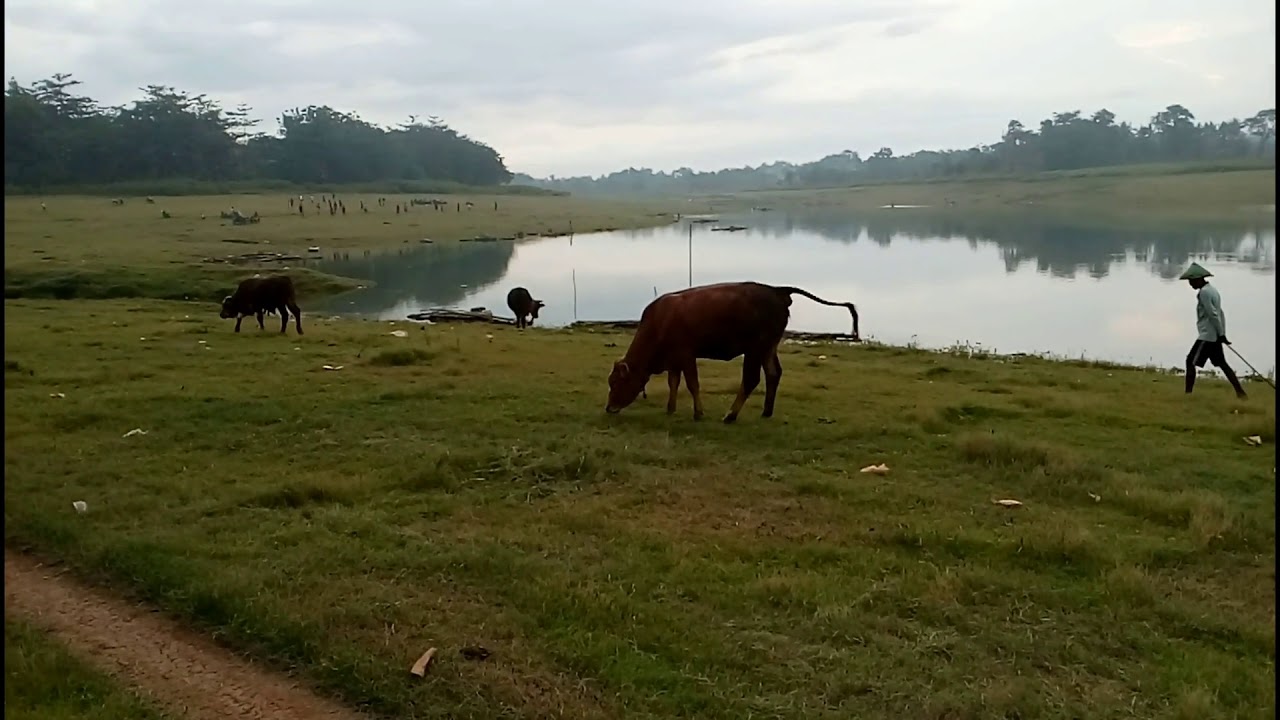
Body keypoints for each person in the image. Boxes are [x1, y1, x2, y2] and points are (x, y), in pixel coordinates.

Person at [1179, 262, 1247, 399]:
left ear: (1198, 279)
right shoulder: (1212, 290)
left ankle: (1188, 394)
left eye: (1191, 281)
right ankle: (1240, 392)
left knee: (1190, 361)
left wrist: (1221, 334)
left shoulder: (1204, 293)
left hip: (1207, 336)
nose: (1190, 284)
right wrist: (1221, 333)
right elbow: (1220, 313)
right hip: (1214, 335)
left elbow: (1213, 314)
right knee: (1222, 364)